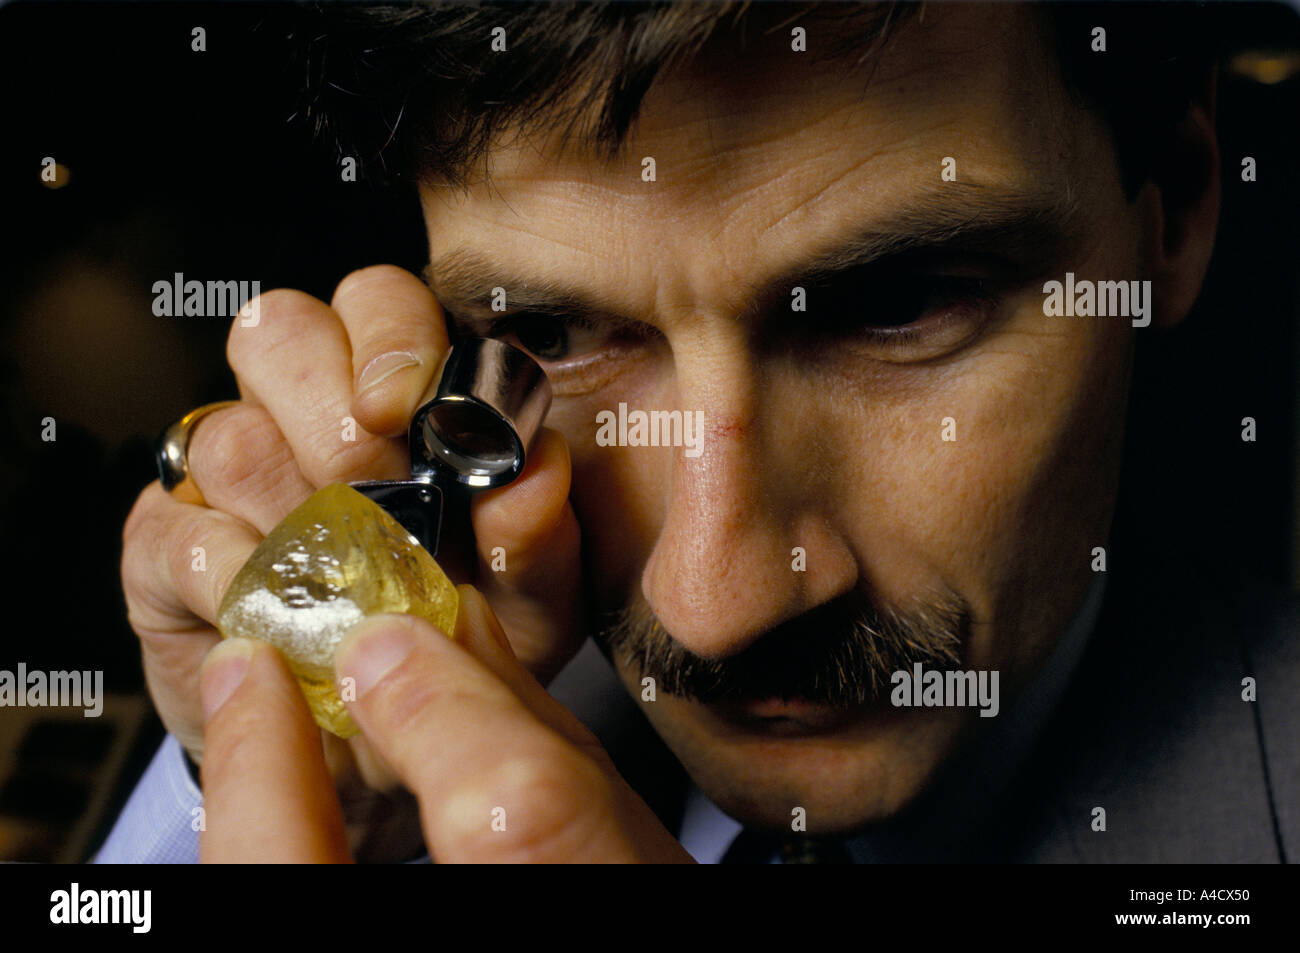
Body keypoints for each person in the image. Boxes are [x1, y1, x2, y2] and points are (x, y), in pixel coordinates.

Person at [99, 1, 1297, 863]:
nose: (713, 601)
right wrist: (280, 783)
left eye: (896, 306)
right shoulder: (448, 682)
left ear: (1176, 209)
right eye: (554, 336)